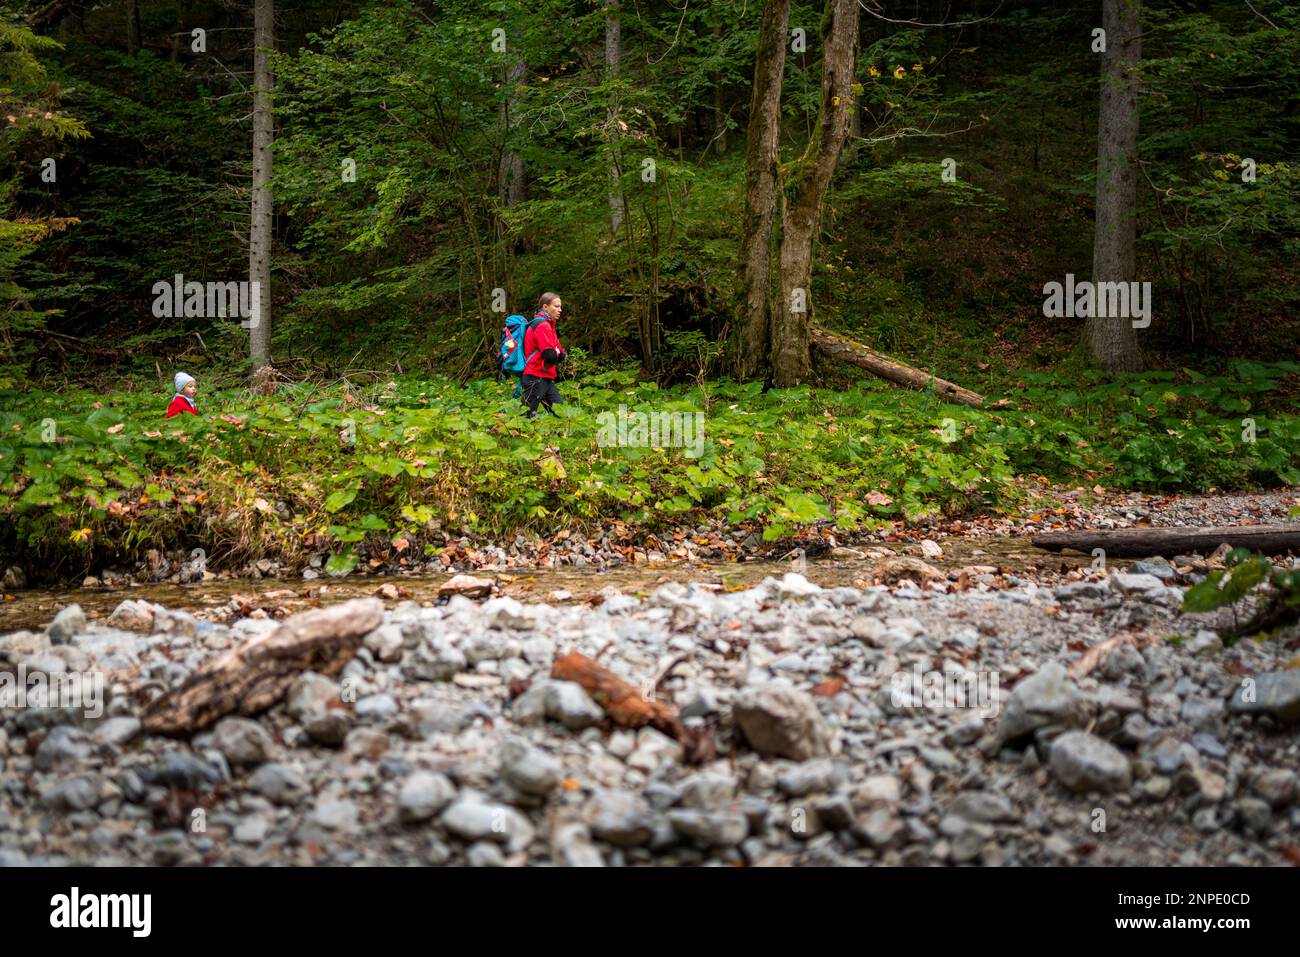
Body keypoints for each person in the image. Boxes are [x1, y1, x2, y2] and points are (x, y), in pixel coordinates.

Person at [521, 292, 567, 417]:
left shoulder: (549, 325)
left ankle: (562, 435)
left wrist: (558, 353)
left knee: (560, 413)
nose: (560, 310)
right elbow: (550, 356)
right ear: (545, 307)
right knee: (524, 417)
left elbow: (561, 353)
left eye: (560, 307)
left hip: (544, 377)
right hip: (535, 377)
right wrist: (557, 353)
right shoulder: (542, 326)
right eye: (556, 306)